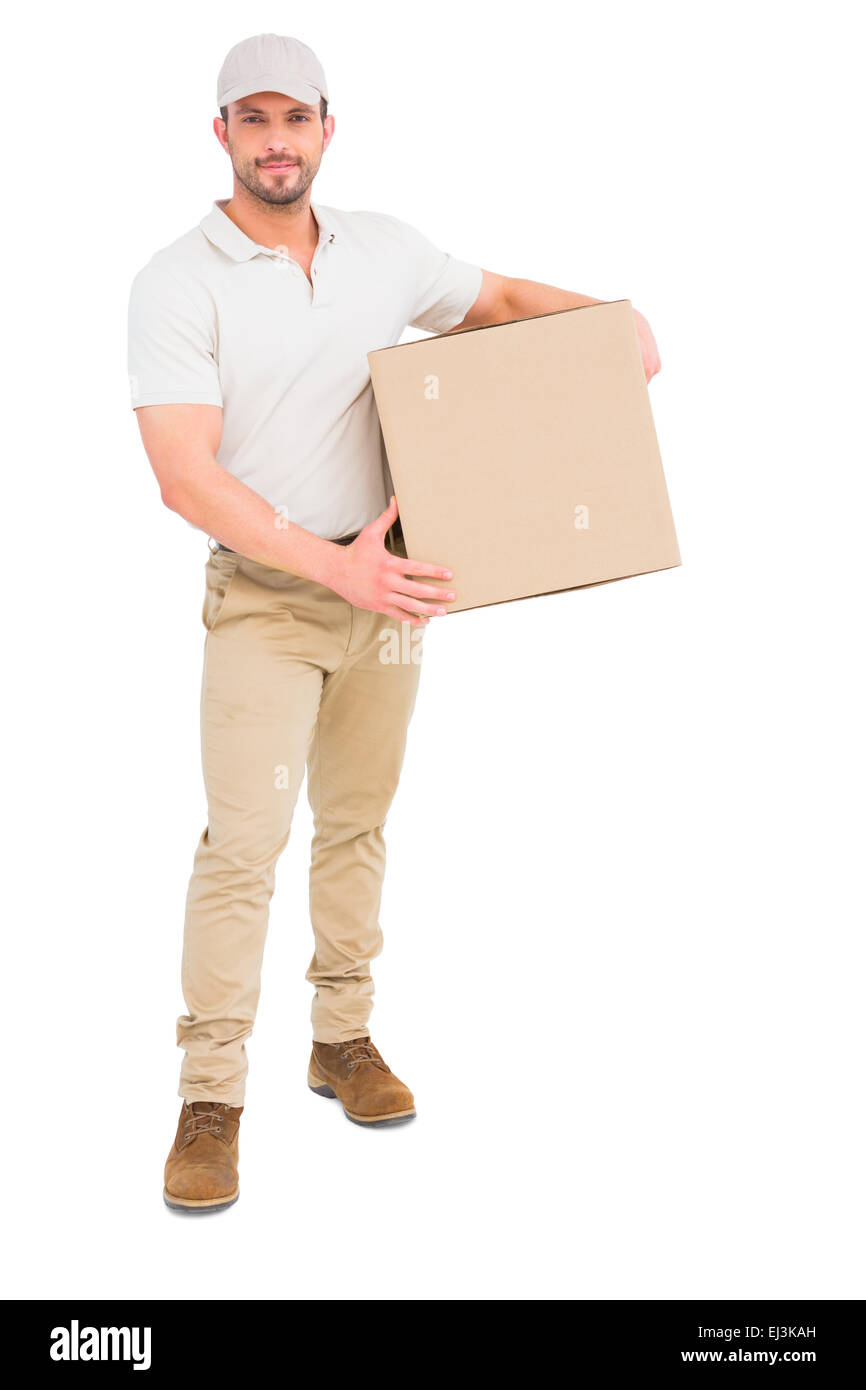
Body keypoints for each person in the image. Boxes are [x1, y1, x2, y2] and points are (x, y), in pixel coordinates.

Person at [127, 31, 661, 1214]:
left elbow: (501, 303)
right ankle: (209, 1096)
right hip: (267, 601)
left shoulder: (382, 250)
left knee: (357, 822)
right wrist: (332, 568)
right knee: (243, 844)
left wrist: (606, 324)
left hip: (396, 592)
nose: (276, 141)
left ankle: (342, 1039)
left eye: (295, 118)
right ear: (221, 135)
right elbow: (183, 476)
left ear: (327, 129)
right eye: (251, 120)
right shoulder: (178, 279)